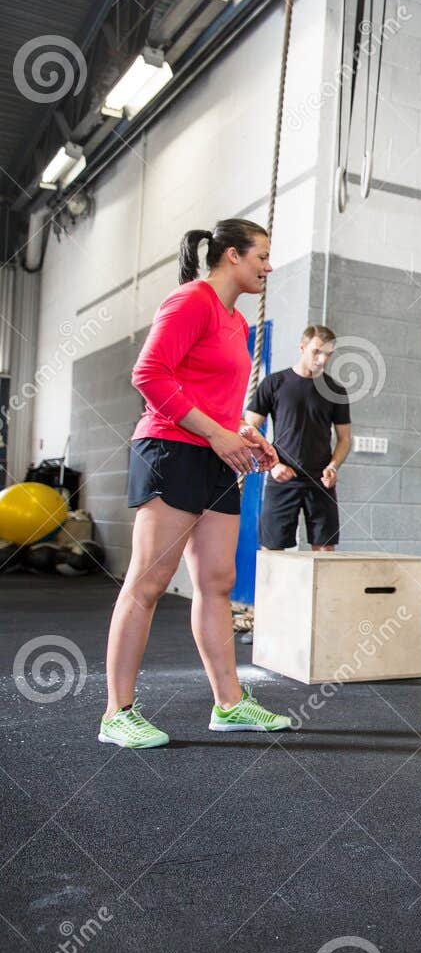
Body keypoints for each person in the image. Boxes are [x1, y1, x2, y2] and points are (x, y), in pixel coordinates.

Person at [100, 219, 293, 749]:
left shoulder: (233, 320)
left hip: (216, 456)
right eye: (263, 256)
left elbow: (213, 398)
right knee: (148, 583)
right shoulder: (191, 301)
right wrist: (217, 434)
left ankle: (229, 705)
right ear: (232, 255)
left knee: (217, 581)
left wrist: (247, 434)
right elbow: (149, 374)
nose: (268, 267)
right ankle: (117, 712)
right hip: (170, 450)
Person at [245, 325, 351, 551]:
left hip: (320, 480)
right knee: (272, 550)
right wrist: (272, 465)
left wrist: (333, 466)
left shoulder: (336, 390)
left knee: (324, 550)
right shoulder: (274, 383)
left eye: (328, 354)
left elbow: (344, 439)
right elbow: (249, 428)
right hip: (282, 476)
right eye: (316, 352)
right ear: (302, 347)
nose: (322, 359)